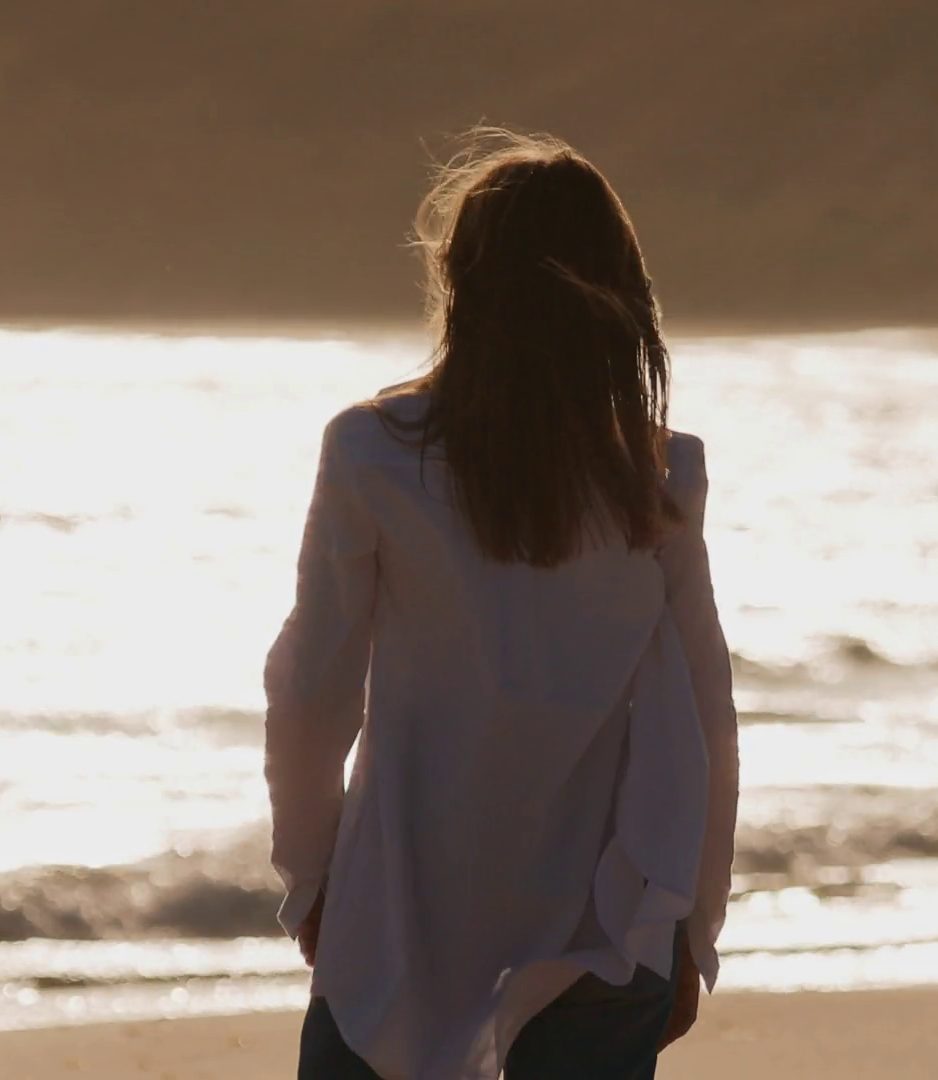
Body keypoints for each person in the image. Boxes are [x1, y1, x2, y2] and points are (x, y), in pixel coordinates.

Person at [263, 130, 738, 1080]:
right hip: (606, 928)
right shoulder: (655, 476)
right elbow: (706, 709)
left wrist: (310, 876)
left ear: (459, 281)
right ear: (619, 292)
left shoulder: (374, 452)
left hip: (400, 917)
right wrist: (693, 923)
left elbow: (312, 690)